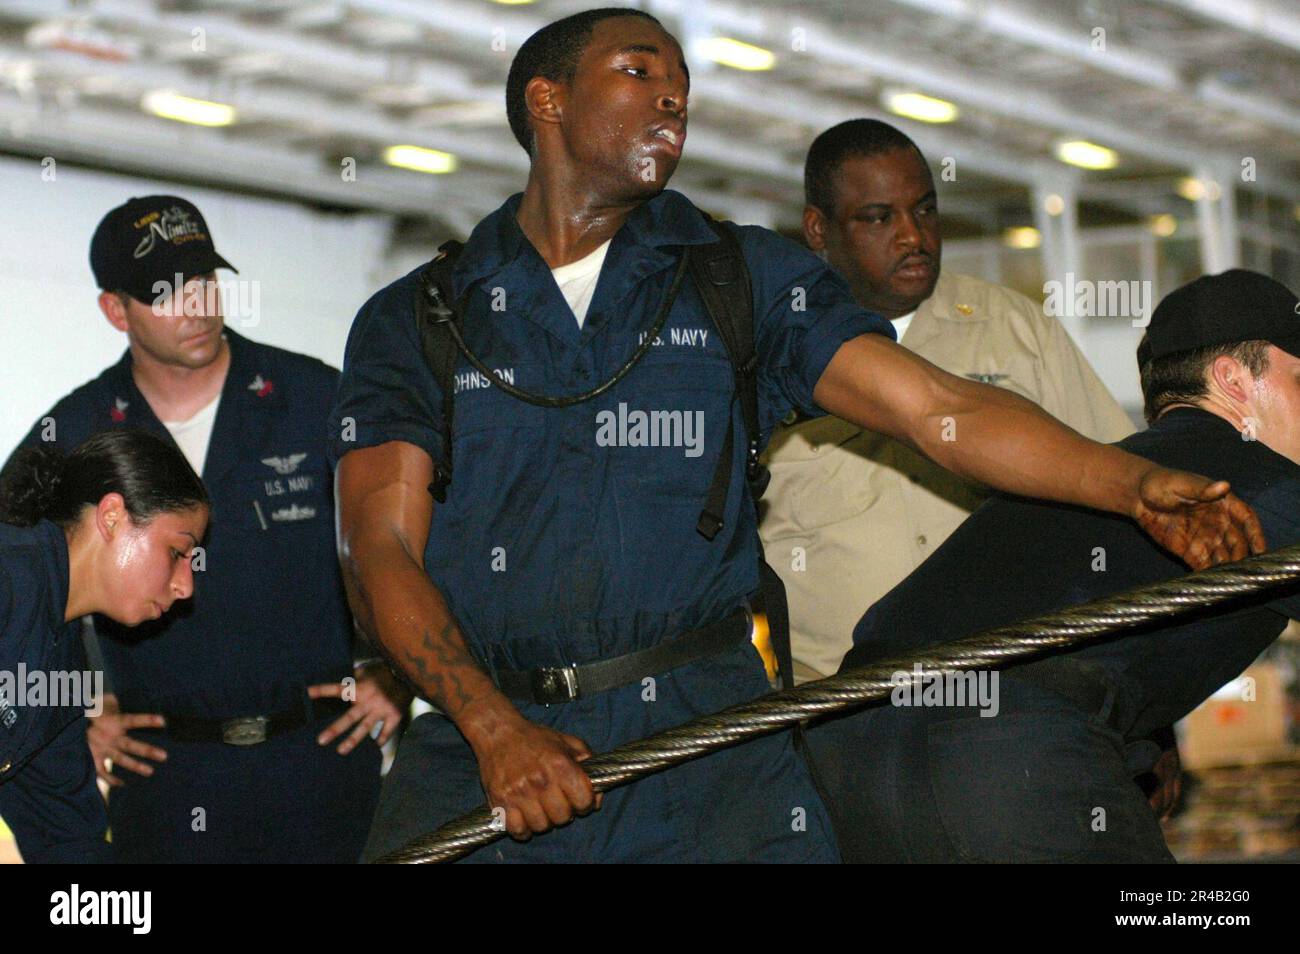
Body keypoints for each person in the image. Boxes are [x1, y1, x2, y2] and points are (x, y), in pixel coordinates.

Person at [331, 8, 1261, 864]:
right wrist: (492, 729)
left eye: (682, 80)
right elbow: (377, 545)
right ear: (547, 100)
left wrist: (1128, 485)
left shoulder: (739, 279)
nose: (673, 94)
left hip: (712, 751)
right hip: (487, 745)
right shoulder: (421, 317)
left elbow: (937, 407)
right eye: (638, 69)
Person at [807, 270, 1300, 863]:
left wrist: (1144, 735)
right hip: (1001, 752)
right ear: (1233, 381)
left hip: (842, 754)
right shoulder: (1246, 476)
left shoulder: (1096, 480)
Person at [2, 195, 406, 863]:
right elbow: (23, 576)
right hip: (164, 775)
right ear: (116, 311)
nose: (197, 305)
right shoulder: (75, 431)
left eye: (205, 281)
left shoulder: (316, 399)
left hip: (318, 761)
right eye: (166, 292)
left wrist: (400, 671)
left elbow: (414, 535)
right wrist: (72, 711)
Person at [760, 119, 1135, 684]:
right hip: (843, 714)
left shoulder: (1017, 329)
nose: (914, 236)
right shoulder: (768, 358)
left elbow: (1119, 490)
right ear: (818, 229)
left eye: (926, 210)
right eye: (880, 217)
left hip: (1017, 691)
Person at [0, 430, 208, 863]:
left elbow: (68, 838)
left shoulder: (63, 661)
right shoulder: (10, 576)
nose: (185, 586)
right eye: (177, 551)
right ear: (112, 515)